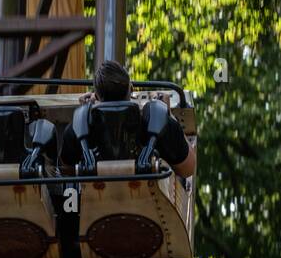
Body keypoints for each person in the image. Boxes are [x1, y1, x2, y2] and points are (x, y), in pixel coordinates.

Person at [62, 60, 197, 179]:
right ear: (131, 89)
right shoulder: (159, 122)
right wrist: (168, 115)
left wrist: (85, 114)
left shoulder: (77, 128)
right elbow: (188, 169)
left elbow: (66, 171)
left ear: (96, 96)